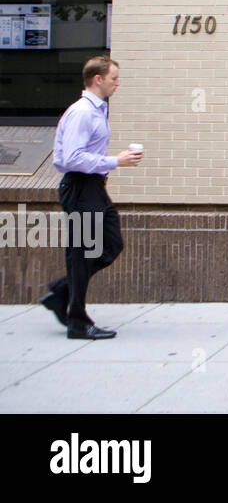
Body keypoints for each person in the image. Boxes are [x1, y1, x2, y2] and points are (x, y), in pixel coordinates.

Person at [39, 55, 142, 340]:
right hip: (81, 187)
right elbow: (70, 158)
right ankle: (77, 321)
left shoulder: (98, 110)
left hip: (93, 187)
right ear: (98, 79)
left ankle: (61, 292)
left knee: (110, 246)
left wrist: (111, 162)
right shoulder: (82, 112)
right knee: (83, 253)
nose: (117, 83)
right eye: (113, 78)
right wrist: (114, 161)